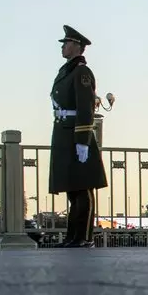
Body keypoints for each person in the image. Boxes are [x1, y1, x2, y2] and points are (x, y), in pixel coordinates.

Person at [48, 25, 108, 248]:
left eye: (66, 43)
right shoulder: (68, 70)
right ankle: (73, 236)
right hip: (64, 132)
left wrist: (83, 141)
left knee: (82, 187)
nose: (63, 46)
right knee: (73, 188)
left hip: (76, 132)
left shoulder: (82, 72)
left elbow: (85, 108)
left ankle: (83, 237)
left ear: (77, 47)